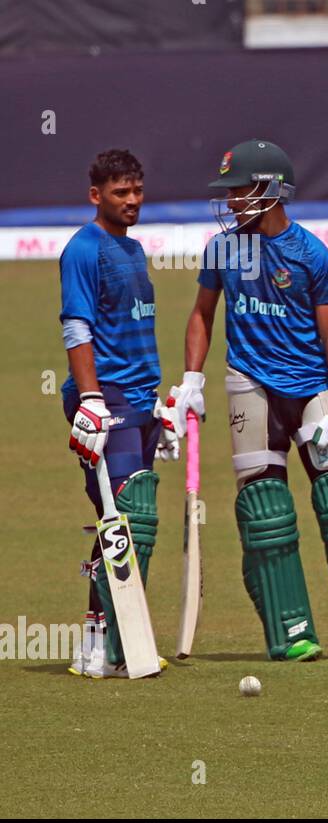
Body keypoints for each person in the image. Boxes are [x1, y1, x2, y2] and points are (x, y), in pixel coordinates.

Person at [181, 138, 328, 661]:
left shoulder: (312, 254)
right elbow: (202, 314)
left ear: (271, 189)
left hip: (310, 386)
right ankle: (292, 632)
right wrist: (191, 381)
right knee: (266, 512)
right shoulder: (223, 249)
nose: (232, 201)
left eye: (240, 190)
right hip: (250, 384)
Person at [62, 149, 175, 678]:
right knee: (130, 518)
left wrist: (157, 403)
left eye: (136, 190)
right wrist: (90, 401)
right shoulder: (84, 250)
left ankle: (106, 640)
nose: (132, 201)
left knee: (126, 522)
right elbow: (77, 328)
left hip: (138, 398)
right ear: (96, 195)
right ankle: (106, 645)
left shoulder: (130, 250)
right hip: (105, 399)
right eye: (120, 192)